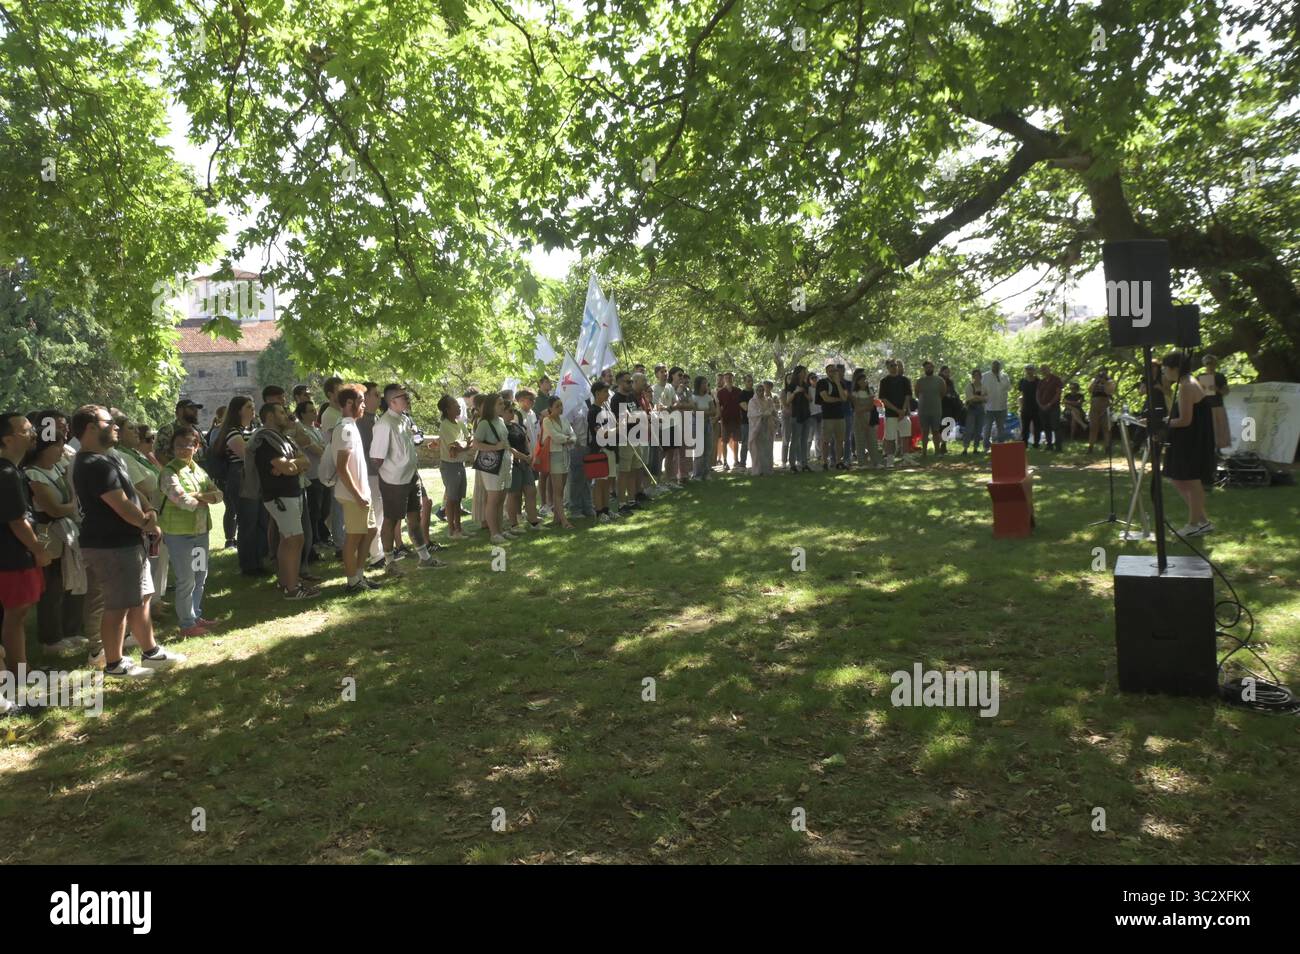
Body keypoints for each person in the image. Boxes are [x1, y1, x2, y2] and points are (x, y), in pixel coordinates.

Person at [70, 405, 185, 678]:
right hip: (109, 545)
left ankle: (150, 652)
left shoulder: (110, 458)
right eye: (109, 423)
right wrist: (147, 522)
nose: (116, 427)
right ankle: (114, 664)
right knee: (118, 604)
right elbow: (120, 504)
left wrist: (150, 514)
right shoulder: (91, 464)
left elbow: (131, 492)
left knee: (141, 597)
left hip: (127, 541)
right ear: (90, 428)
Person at [1, 412, 52, 702]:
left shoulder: (14, 470)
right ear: (7, 439)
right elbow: (16, 520)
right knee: (16, 612)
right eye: (26, 430)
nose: (34, 434)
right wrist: (38, 549)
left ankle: (21, 668)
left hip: (16, 554)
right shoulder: (6, 473)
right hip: (11, 556)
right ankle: (18, 672)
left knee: (20, 611)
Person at [23, 413, 85, 652]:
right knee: (52, 587)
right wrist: (71, 508)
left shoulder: (56, 470)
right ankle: (50, 638)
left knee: (68, 582)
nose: (62, 450)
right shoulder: (33, 474)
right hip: (47, 533)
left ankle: (67, 631)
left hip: (64, 532)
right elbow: (54, 508)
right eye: (57, 445)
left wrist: (68, 507)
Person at [371, 384, 444, 570]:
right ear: (392, 401)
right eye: (404, 396)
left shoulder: (403, 419)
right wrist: (386, 480)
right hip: (394, 481)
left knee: (414, 517)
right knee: (391, 520)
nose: (408, 398)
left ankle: (424, 558)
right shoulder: (384, 424)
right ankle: (389, 562)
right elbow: (376, 458)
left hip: (411, 477)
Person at [158, 424, 223, 635]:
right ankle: (186, 624)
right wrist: (204, 498)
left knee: (199, 576)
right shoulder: (169, 472)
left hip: (201, 533)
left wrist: (198, 496)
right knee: (186, 579)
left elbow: (219, 495)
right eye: (179, 445)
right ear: (172, 448)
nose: (184, 448)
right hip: (179, 536)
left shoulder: (199, 470)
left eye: (189, 444)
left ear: (196, 446)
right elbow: (182, 501)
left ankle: (195, 615)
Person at [253, 402, 319, 599]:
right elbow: (288, 468)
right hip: (280, 496)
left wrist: (292, 464)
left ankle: (286, 582)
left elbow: (304, 462)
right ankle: (292, 588)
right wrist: (292, 465)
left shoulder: (283, 439)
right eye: (282, 412)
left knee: (287, 539)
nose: (286, 415)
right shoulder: (265, 441)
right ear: (270, 417)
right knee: (294, 539)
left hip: (292, 492)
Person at [331, 385, 381, 593]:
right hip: (353, 495)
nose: (364, 405)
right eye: (361, 401)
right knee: (353, 536)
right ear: (349, 404)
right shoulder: (344, 429)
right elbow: (342, 469)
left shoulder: (352, 426)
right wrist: (358, 495)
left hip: (362, 493)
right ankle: (352, 581)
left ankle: (359, 575)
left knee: (370, 530)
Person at [1161, 352, 1215, 536]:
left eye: (1165, 368)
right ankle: (1203, 521)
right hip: (1185, 438)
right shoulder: (1185, 383)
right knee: (1178, 479)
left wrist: (1162, 423)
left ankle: (1194, 524)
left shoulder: (1187, 385)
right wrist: (1165, 420)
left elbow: (1185, 420)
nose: (1163, 372)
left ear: (1174, 368)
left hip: (1191, 440)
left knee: (1192, 480)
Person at [119, 420, 168, 618]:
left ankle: (156, 600)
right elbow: (145, 484)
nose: (137, 432)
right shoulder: (122, 456)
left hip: (156, 511)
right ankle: (149, 607)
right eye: (131, 428)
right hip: (144, 514)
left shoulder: (136, 454)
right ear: (119, 434)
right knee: (151, 559)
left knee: (159, 558)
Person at [472, 392, 513, 543]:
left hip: (505, 462)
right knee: (494, 498)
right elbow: (475, 444)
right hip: (491, 464)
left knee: (501, 498)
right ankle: (494, 533)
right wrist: (494, 447)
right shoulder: (484, 423)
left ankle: (500, 531)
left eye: (503, 403)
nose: (503, 406)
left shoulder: (501, 420)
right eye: (500, 404)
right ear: (491, 406)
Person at [436, 395, 470, 540]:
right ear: (447, 409)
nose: (458, 406)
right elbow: (457, 446)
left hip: (460, 464)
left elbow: (469, 441)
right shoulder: (445, 425)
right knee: (452, 498)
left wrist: (464, 445)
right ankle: (451, 530)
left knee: (458, 499)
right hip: (449, 466)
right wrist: (463, 445)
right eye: (455, 404)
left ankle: (459, 528)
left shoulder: (459, 423)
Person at [503, 401, 540, 532]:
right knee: (513, 494)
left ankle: (534, 521)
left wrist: (529, 456)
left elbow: (526, 440)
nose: (513, 413)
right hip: (513, 464)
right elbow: (508, 448)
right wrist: (524, 457)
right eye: (510, 411)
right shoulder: (502, 428)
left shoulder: (516, 426)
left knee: (531, 491)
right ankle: (514, 525)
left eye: (513, 410)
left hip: (525, 463)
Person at [541, 398, 576, 529]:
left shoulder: (565, 419)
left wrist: (569, 439)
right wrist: (568, 439)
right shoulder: (546, 420)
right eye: (557, 406)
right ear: (550, 408)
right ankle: (564, 521)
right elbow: (555, 436)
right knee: (558, 490)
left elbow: (573, 435)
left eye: (561, 405)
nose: (560, 408)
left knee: (561, 488)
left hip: (565, 455)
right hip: (554, 456)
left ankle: (557, 517)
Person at [878, 360, 914, 467]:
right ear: (888, 368)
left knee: (905, 435)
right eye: (892, 366)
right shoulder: (884, 381)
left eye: (896, 365)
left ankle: (906, 458)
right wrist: (897, 411)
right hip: (890, 414)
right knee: (890, 437)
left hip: (904, 413)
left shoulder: (905, 380)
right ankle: (890, 460)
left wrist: (903, 410)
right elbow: (883, 399)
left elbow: (908, 396)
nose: (894, 367)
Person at [816, 364, 848, 470]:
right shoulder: (822, 383)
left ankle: (839, 461)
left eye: (835, 370)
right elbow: (826, 398)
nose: (833, 372)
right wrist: (838, 399)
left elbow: (844, 397)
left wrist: (838, 382)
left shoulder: (842, 383)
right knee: (826, 440)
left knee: (840, 440)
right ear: (826, 372)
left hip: (840, 416)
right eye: (831, 371)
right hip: (827, 416)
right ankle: (824, 461)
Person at [155, 399, 206, 466]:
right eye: (191, 408)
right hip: (180, 471)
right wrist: (174, 470)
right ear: (180, 411)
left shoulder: (197, 430)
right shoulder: (168, 429)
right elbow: (159, 453)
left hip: (197, 472)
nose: (196, 411)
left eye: (196, 409)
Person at [849, 369, 883, 467]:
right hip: (858, 418)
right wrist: (863, 410)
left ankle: (875, 462)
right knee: (860, 441)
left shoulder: (870, 391)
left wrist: (863, 408)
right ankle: (862, 463)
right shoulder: (854, 393)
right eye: (862, 380)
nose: (864, 382)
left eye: (865, 380)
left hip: (870, 416)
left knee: (872, 440)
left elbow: (871, 405)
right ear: (858, 382)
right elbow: (856, 408)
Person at [1198, 355, 1231, 452]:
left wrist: (1217, 389)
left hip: (1217, 406)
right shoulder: (1200, 377)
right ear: (1204, 364)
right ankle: (1207, 451)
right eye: (1207, 363)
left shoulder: (1220, 376)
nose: (1209, 365)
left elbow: (1226, 392)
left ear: (1215, 364)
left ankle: (1218, 451)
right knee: (1207, 430)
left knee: (1220, 430)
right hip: (1204, 407)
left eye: (1211, 363)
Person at [914, 360, 946, 458]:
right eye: (926, 367)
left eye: (930, 367)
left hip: (936, 410)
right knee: (924, 431)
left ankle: (937, 451)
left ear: (933, 368)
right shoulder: (920, 381)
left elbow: (942, 393)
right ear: (924, 369)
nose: (928, 369)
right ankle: (924, 452)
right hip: (923, 410)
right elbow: (917, 394)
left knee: (936, 431)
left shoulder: (940, 380)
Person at [783, 366, 811, 472]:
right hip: (796, 416)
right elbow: (787, 401)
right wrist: (796, 392)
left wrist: (803, 392)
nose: (806, 373)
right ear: (799, 373)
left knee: (804, 440)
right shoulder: (791, 386)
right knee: (795, 441)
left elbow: (810, 399)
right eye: (804, 371)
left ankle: (804, 464)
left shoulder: (805, 385)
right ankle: (792, 465)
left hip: (806, 415)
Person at [690, 376, 717, 480]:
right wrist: (707, 412)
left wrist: (703, 412)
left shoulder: (708, 397)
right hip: (697, 424)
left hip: (708, 424)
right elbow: (695, 412)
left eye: (706, 383)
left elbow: (714, 411)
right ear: (699, 385)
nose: (706, 385)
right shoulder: (693, 397)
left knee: (708, 449)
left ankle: (706, 473)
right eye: (704, 383)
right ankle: (697, 474)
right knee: (699, 450)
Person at [747, 381, 777, 475]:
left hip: (767, 427)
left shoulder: (768, 400)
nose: (760, 392)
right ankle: (757, 470)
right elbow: (752, 414)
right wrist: (764, 414)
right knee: (757, 450)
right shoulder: (752, 401)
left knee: (767, 449)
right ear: (756, 391)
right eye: (758, 390)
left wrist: (768, 413)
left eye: (762, 390)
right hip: (757, 428)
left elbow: (773, 411)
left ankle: (767, 469)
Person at [715, 372, 743, 471]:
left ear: (733, 379)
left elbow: (741, 405)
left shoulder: (738, 391)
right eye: (726, 378)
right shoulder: (721, 392)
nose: (728, 379)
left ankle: (736, 460)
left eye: (730, 377)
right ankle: (725, 461)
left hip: (736, 419)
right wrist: (719, 417)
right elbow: (718, 407)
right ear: (724, 379)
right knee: (724, 441)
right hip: (725, 419)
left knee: (736, 441)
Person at [981, 361, 1012, 449]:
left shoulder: (1004, 376)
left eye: (998, 366)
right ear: (991, 366)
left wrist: (1001, 381)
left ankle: (1000, 446)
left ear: (1000, 367)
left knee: (1001, 428)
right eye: (994, 365)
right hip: (989, 407)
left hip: (1002, 407)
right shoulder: (985, 376)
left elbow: (1009, 388)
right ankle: (986, 446)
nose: (996, 367)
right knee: (987, 428)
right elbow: (980, 389)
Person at [1036, 363, 1064, 451]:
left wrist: (1050, 404)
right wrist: (1040, 404)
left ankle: (1058, 446)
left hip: (1054, 407)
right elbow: (1037, 394)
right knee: (1046, 426)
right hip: (1042, 407)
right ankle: (1049, 445)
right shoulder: (1041, 381)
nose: (1043, 371)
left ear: (1049, 369)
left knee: (1056, 426)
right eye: (1042, 370)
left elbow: (1058, 393)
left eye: (1045, 369)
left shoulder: (1056, 379)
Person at [1087, 371, 1114, 454]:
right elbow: (1090, 390)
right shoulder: (1094, 381)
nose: (1101, 377)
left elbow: (1109, 392)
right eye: (1099, 375)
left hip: (1105, 405)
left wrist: (1105, 382)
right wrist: (1095, 381)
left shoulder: (1110, 382)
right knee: (1093, 427)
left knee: (1106, 427)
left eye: (1103, 375)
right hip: (1094, 406)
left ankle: (1107, 447)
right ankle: (1090, 447)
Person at [962, 368, 986, 455]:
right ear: (973, 377)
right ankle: (965, 448)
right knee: (969, 429)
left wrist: (977, 397)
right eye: (975, 375)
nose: (977, 377)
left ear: (980, 376)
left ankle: (976, 448)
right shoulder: (969, 386)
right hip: (971, 409)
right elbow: (970, 398)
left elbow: (987, 398)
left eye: (978, 375)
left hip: (981, 409)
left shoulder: (984, 386)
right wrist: (980, 398)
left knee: (978, 429)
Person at [1017, 365, 1040, 448]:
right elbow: (1021, 394)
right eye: (1027, 370)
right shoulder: (1022, 381)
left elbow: (1041, 393)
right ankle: (1024, 444)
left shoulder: (1038, 381)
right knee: (1025, 427)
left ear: (1034, 370)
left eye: (1031, 369)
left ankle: (1036, 443)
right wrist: (1021, 405)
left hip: (1036, 407)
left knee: (1037, 426)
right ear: (1025, 371)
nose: (1029, 371)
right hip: (1025, 407)